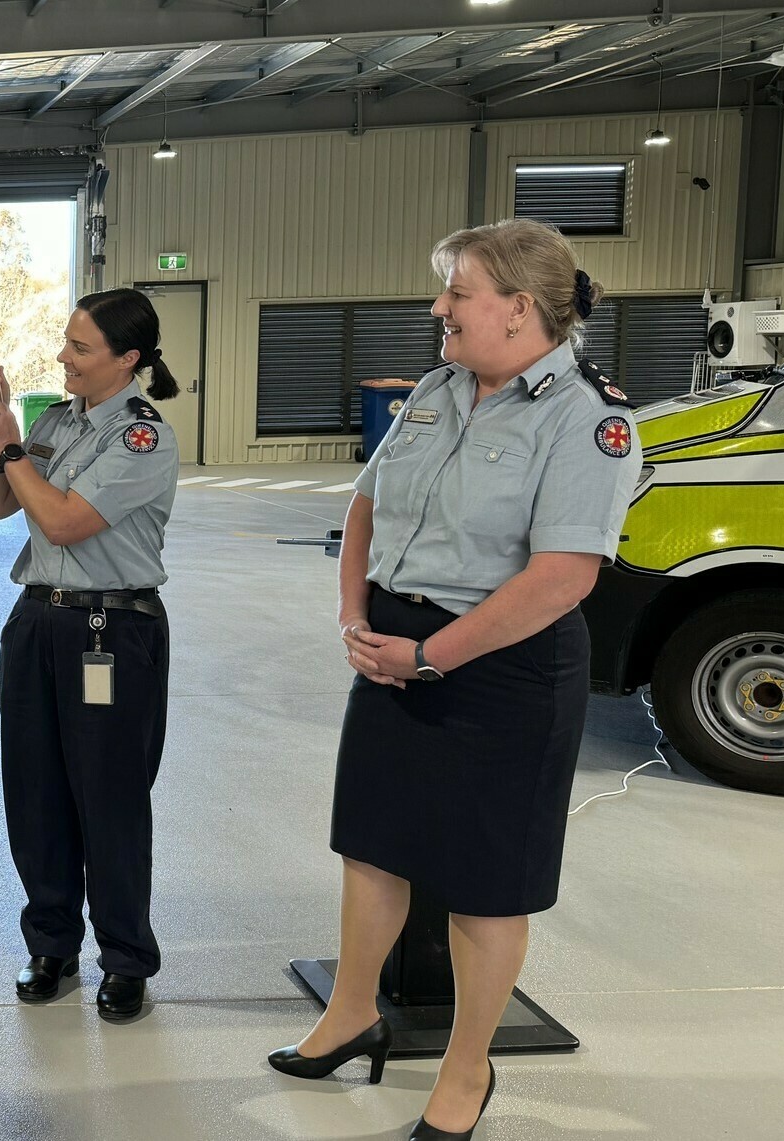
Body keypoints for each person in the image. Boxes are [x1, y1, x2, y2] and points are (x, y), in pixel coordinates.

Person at [267, 218, 642, 1140]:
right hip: (394, 644)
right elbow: (365, 505)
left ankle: (467, 1069)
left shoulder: (589, 420)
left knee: (486, 879)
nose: (439, 307)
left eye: (458, 292)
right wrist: (354, 617)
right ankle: (352, 1013)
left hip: (506, 666)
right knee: (372, 842)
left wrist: (433, 654)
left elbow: (562, 578)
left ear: (518, 307)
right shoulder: (440, 388)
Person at [0, 287, 182, 1023]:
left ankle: (125, 959)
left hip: (109, 632)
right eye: (66, 341)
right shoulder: (55, 422)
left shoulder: (141, 439)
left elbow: (62, 521)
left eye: (80, 347)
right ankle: (51, 945)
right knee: (35, 792)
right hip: (38, 622)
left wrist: (10, 448)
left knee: (110, 797)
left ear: (127, 359)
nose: (63, 356)